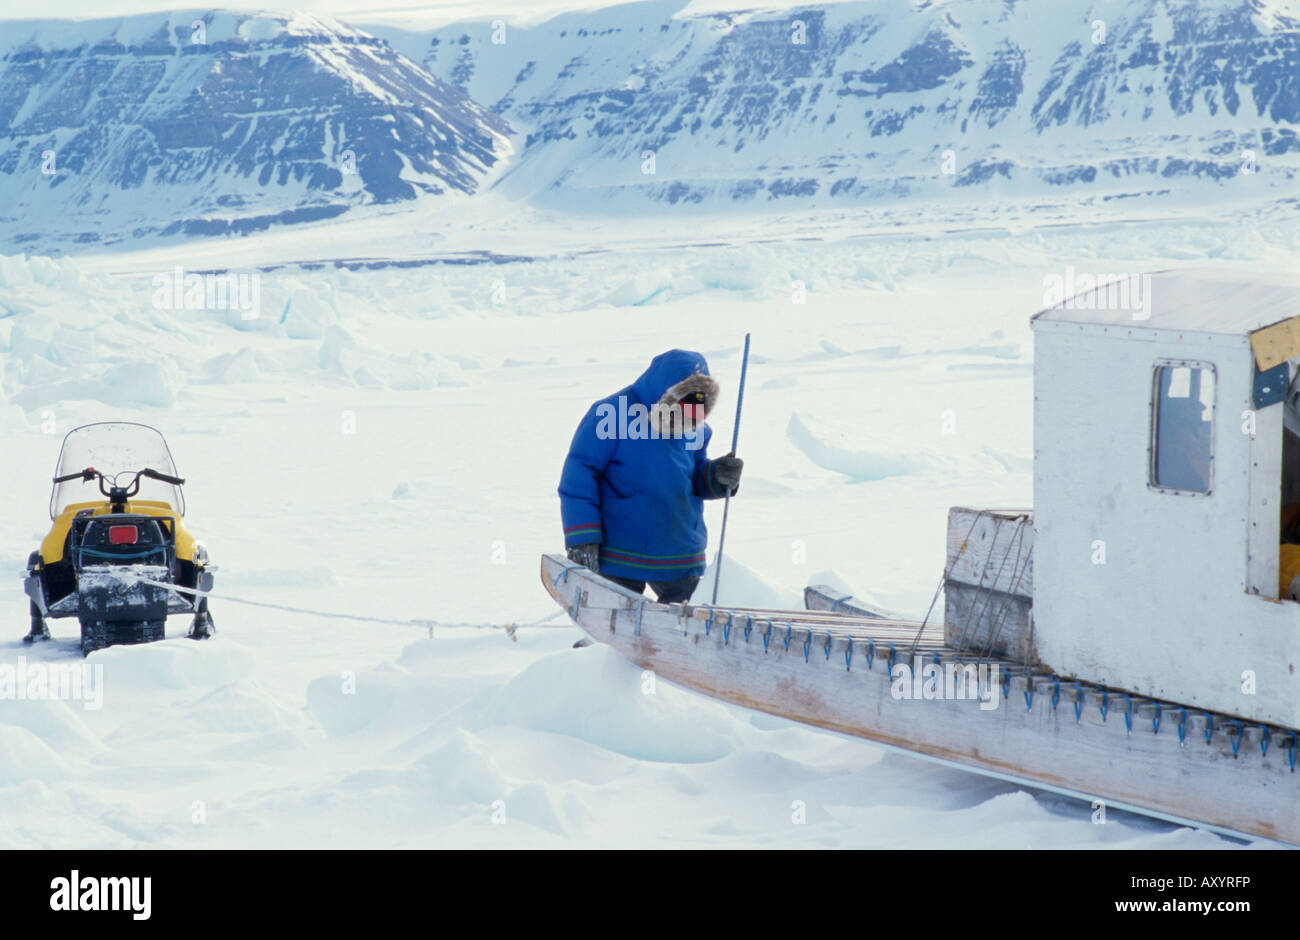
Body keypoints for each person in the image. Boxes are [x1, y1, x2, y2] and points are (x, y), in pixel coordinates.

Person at [559, 349, 743, 604]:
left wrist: (717, 477)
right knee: (613, 618)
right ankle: (599, 644)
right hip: (619, 551)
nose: (689, 418)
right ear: (664, 395)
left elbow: (693, 476)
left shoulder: (696, 428)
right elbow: (579, 474)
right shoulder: (611, 415)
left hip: (678, 550)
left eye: (698, 409)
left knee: (685, 625)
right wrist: (582, 536)